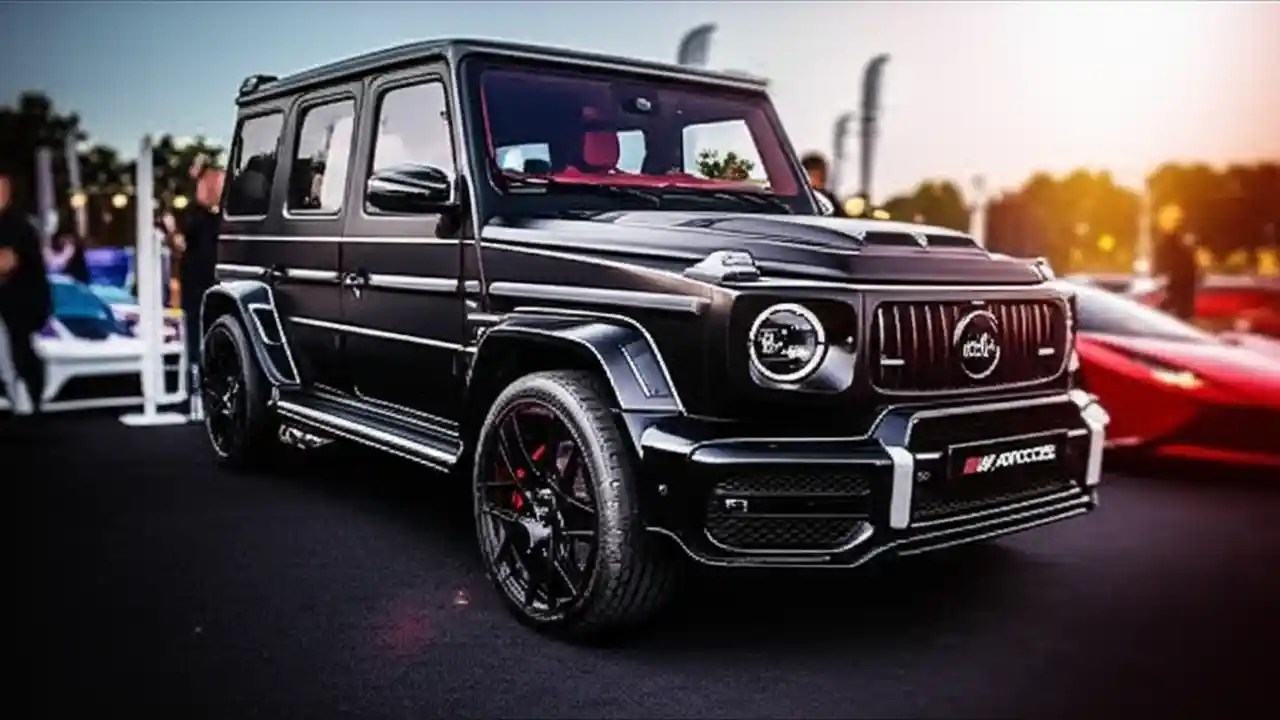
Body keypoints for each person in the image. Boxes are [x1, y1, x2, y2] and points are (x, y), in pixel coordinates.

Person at [0, 170, 53, 416]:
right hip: (12, 300)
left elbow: (7, 262)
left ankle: (28, 398)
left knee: (19, 349)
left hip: (20, 300)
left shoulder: (17, 225)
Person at [173, 162, 224, 372]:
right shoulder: (194, 217)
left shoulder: (217, 218)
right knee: (196, 332)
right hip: (198, 284)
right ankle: (196, 372)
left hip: (212, 283)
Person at [800, 152, 847, 217]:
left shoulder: (830, 198)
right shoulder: (802, 200)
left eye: (823, 175)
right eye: (815, 176)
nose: (821, 179)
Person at [44, 220, 91, 285]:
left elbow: (59, 265)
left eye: (69, 238)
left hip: (75, 282)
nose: (66, 241)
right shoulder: (50, 251)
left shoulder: (74, 251)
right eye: (65, 238)